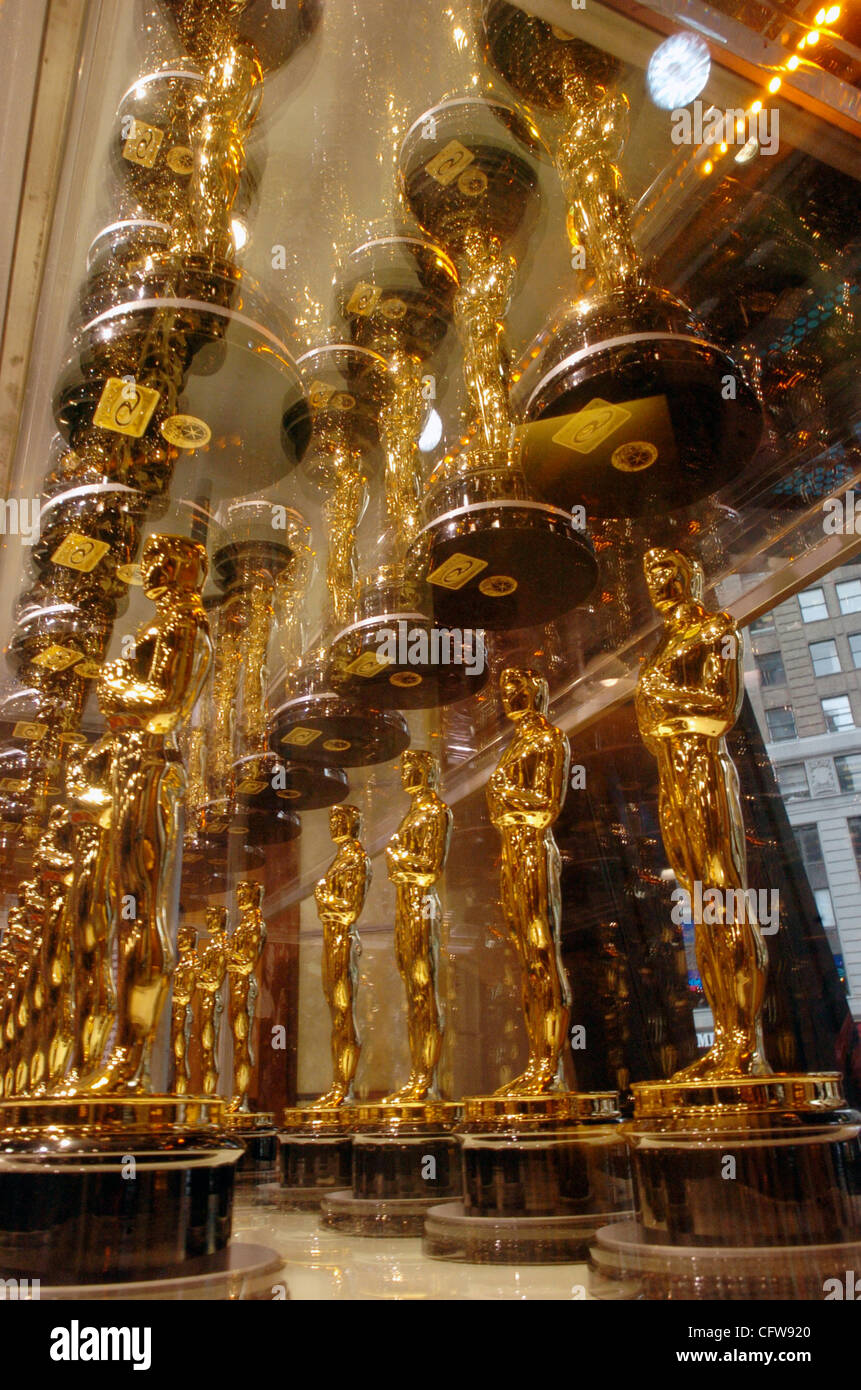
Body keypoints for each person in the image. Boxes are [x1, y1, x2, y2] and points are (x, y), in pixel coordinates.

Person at [635, 546, 770, 1079]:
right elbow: (648, 728)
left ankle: (746, 1045)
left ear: (691, 575)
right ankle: (724, 1040)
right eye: (651, 576)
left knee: (723, 894)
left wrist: (665, 700)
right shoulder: (663, 646)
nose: (659, 582)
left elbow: (718, 708)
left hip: (704, 769)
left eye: (667, 570)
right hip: (671, 775)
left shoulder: (716, 629)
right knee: (697, 901)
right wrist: (665, 709)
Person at [488, 667, 571, 1095]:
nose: (512, 696)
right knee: (524, 955)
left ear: (538, 689)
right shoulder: (514, 746)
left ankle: (549, 1066)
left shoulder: (549, 738)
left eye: (519, 687)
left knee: (541, 950)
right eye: (506, 691)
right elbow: (497, 809)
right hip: (512, 852)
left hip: (534, 848)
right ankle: (538, 1061)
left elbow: (544, 805)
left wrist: (506, 794)